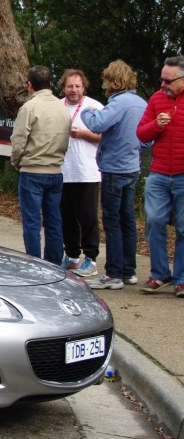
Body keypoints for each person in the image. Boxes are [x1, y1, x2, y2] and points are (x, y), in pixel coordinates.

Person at [79, 60, 148, 290]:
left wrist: (87, 110)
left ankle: (113, 273)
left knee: (112, 221)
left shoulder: (118, 103)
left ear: (112, 81)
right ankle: (129, 271)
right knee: (127, 219)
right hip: (132, 167)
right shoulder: (141, 103)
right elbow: (147, 138)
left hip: (114, 169)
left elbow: (97, 124)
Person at [10, 65, 70, 265]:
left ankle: (35, 264)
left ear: (30, 85)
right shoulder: (62, 107)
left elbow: (19, 141)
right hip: (55, 170)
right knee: (54, 221)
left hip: (32, 170)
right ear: (50, 84)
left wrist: (16, 161)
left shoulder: (29, 108)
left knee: (32, 223)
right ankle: (54, 264)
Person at [135, 55, 184, 297]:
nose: (163, 84)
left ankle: (181, 279)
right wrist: (156, 124)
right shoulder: (156, 99)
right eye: (162, 79)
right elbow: (141, 133)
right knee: (154, 221)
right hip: (159, 173)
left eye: (168, 80)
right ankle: (160, 274)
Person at [58, 69, 102, 278]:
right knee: (66, 216)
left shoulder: (94, 107)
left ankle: (91, 259)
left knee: (88, 217)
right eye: (70, 86)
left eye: (77, 86)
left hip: (86, 171)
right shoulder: (57, 106)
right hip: (62, 170)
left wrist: (84, 134)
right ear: (63, 88)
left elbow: (105, 137)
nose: (73, 90)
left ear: (84, 87)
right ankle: (72, 255)